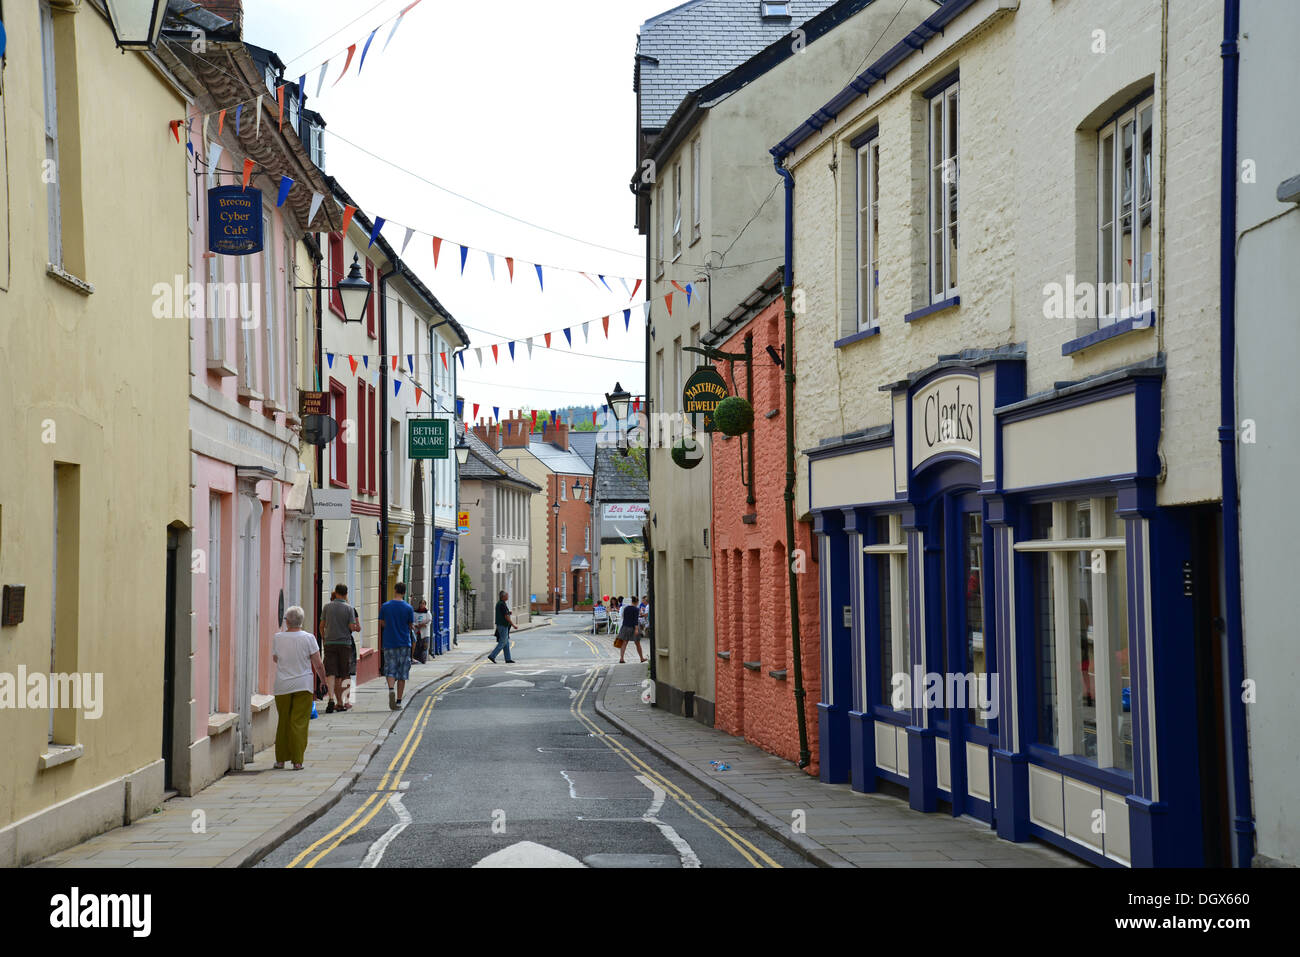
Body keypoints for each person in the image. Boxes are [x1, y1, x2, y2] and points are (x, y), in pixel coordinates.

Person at [272, 605, 328, 770]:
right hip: (303, 685)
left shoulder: (278, 637)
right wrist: (323, 681)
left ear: (287, 621)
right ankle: (297, 761)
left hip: (282, 686)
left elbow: (276, 659)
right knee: (299, 723)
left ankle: (280, 760)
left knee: (283, 722)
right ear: (301, 621)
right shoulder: (309, 638)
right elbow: (318, 663)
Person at [318, 584, 360, 713]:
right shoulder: (349, 609)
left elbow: (321, 626)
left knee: (331, 673)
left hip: (330, 643)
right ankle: (343, 702)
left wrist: (324, 639)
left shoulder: (327, 607)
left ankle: (331, 699)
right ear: (346, 594)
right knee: (344, 674)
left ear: (335, 593)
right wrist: (355, 627)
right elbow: (352, 627)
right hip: (345, 644)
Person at [379, 582, 415, 710]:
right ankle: (399, 701)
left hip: (389, 642)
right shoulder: (408, 608)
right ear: (404, 592)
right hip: (404, 643)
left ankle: (390, 689)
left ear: (395, 590)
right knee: (402, 673)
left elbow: (382, 623)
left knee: (390, 668)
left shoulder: (385, 606)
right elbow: (410, 626)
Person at [488, 590, 516, 663]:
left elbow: (504, 613)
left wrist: (508, 612)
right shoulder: (502, 604)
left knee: (506, 642)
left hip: (501, 625)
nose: (508, 597)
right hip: (503, 625)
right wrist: (513, 625)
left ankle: (508, 658)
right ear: (503, 597)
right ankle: (492, 655)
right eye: (507, 595)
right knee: (502, 642)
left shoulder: (500, 604)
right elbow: (506, 616)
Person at [617, 594, 646, 663]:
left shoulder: (626, 608)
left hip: (625, 627)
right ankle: (641, 658)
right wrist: (636, 629)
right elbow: (635, 620)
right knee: (637, 643)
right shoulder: (636, 609)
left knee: (624, 643)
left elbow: (623, 616)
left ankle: (621, 658)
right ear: (636, 602)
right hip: (633, 628)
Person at [412, 598, 432, 663]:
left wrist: (424, 624)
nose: (422, 605)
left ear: (425, 605)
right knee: (417, 646)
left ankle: (423, 660)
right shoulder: (415, 612)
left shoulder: (427, 612)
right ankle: (416, 659)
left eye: (423, 604)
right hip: (417, 632)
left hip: (425, 633)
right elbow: (412, 621)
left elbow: (429, 621)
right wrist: (416, 624)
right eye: (421, 603)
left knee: (425, 647)